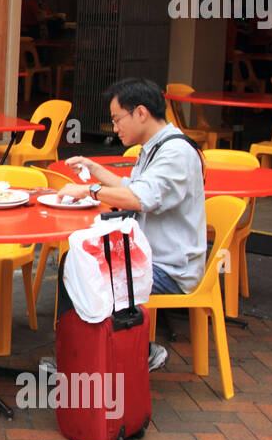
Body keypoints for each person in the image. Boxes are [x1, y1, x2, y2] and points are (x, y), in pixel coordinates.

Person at [57, 77, 207, 371]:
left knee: (88, 275)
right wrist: (95, 169)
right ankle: (82, 355)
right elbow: (134, 187)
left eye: (117, 119)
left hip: (171, 269)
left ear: (140, 113)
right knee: (75, 264)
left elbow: (140, 198)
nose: (114, 128)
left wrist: (88, 190)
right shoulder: (156, 146)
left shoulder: (175, 152)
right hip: (149, 259)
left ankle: (131, 352)